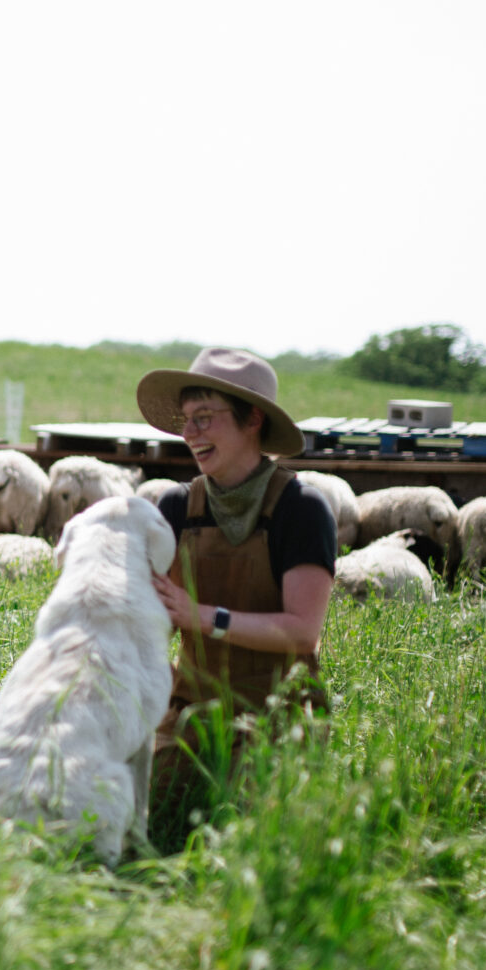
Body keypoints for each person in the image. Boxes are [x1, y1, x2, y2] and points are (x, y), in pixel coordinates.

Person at [134, 348, 337, 818]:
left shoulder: (301, 509)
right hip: (188, 716)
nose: (189, 434)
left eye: (204, 418)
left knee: (253, 822)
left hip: (278, 716)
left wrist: (202, 617)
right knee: (146, 814)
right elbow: (147, 620)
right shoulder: (174, 508)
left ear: (253, 420)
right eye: (186, 421)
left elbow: (303, 631)